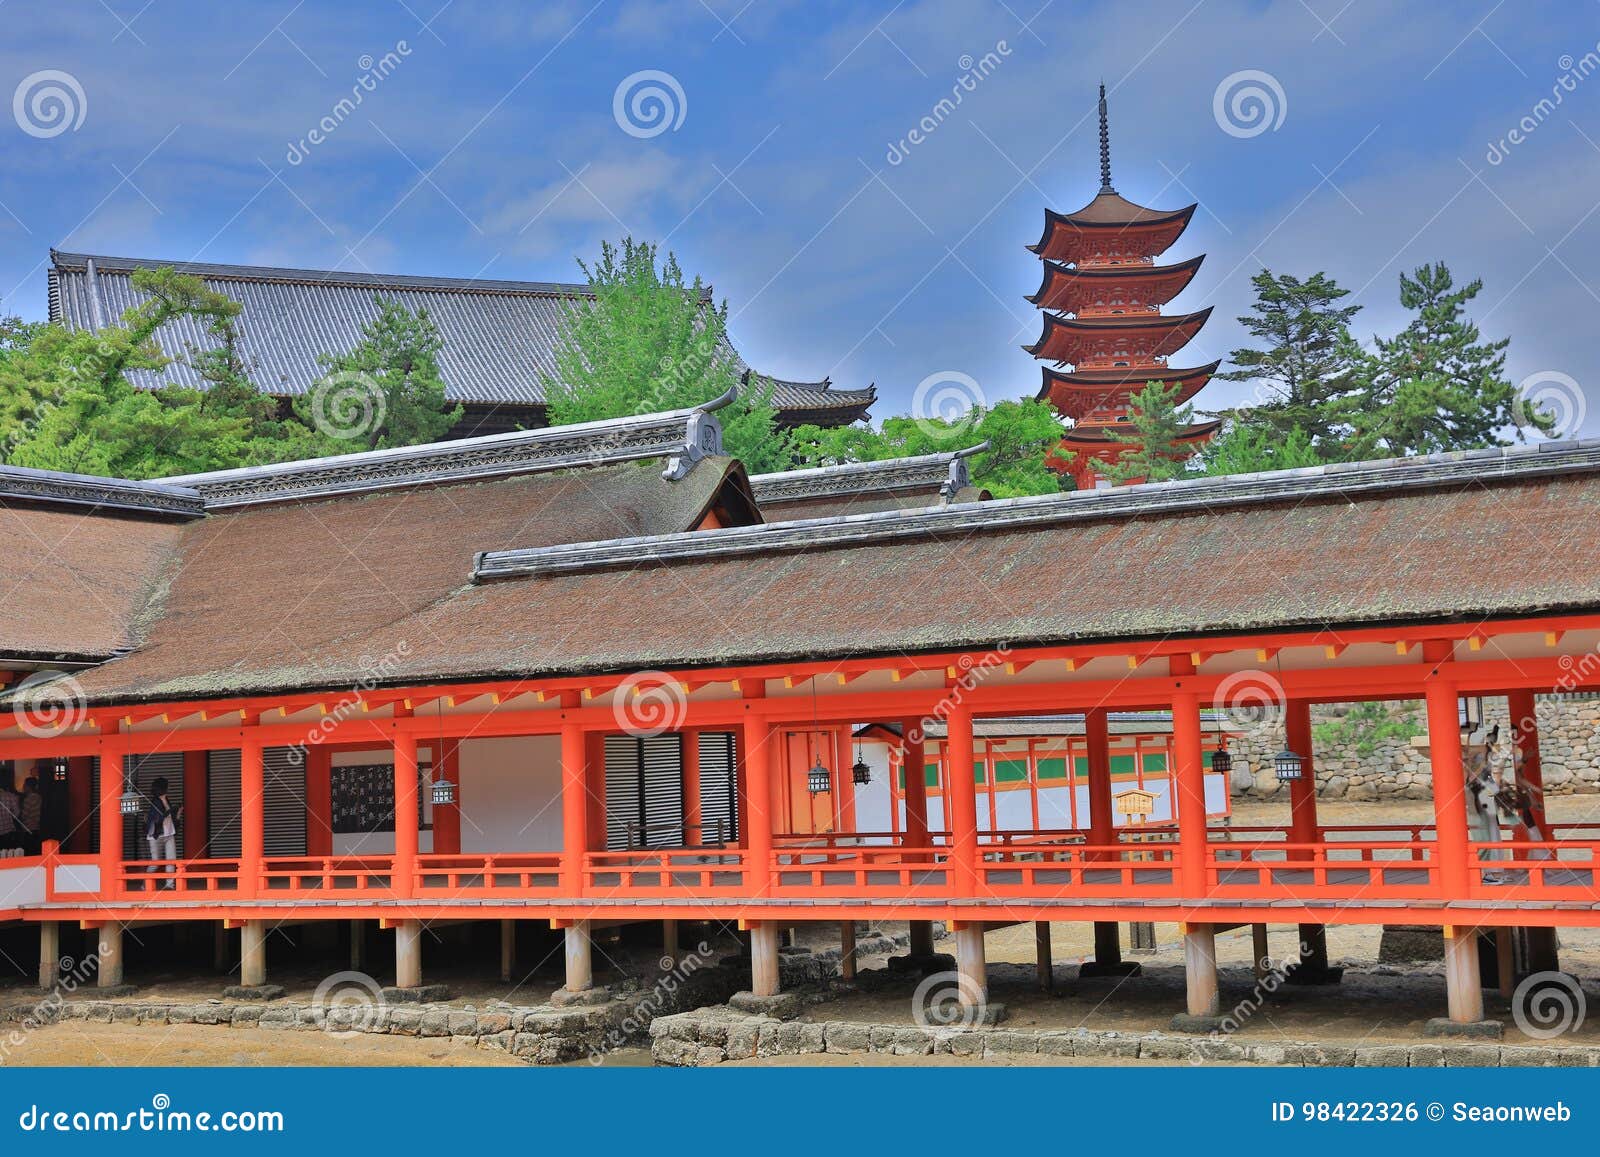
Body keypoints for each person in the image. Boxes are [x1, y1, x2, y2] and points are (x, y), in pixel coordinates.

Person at [144, 777, 181, 887]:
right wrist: (168, 807)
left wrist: (177, 812)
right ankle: (145, 884)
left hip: (168, 833)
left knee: (171, 859)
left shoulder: (166, 799)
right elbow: (161, 816)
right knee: (155, 862)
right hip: (156, 835)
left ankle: (170, 884)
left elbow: (170, 815)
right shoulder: (155, 802)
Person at [17, 778, 42, 857]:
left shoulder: (28, 799)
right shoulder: (38, 796)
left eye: (24, 785)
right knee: (35, 850)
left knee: (28, 851)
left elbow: (24, 815)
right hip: (36, 826)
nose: (23, 787)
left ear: (28, 786)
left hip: (28, 828)